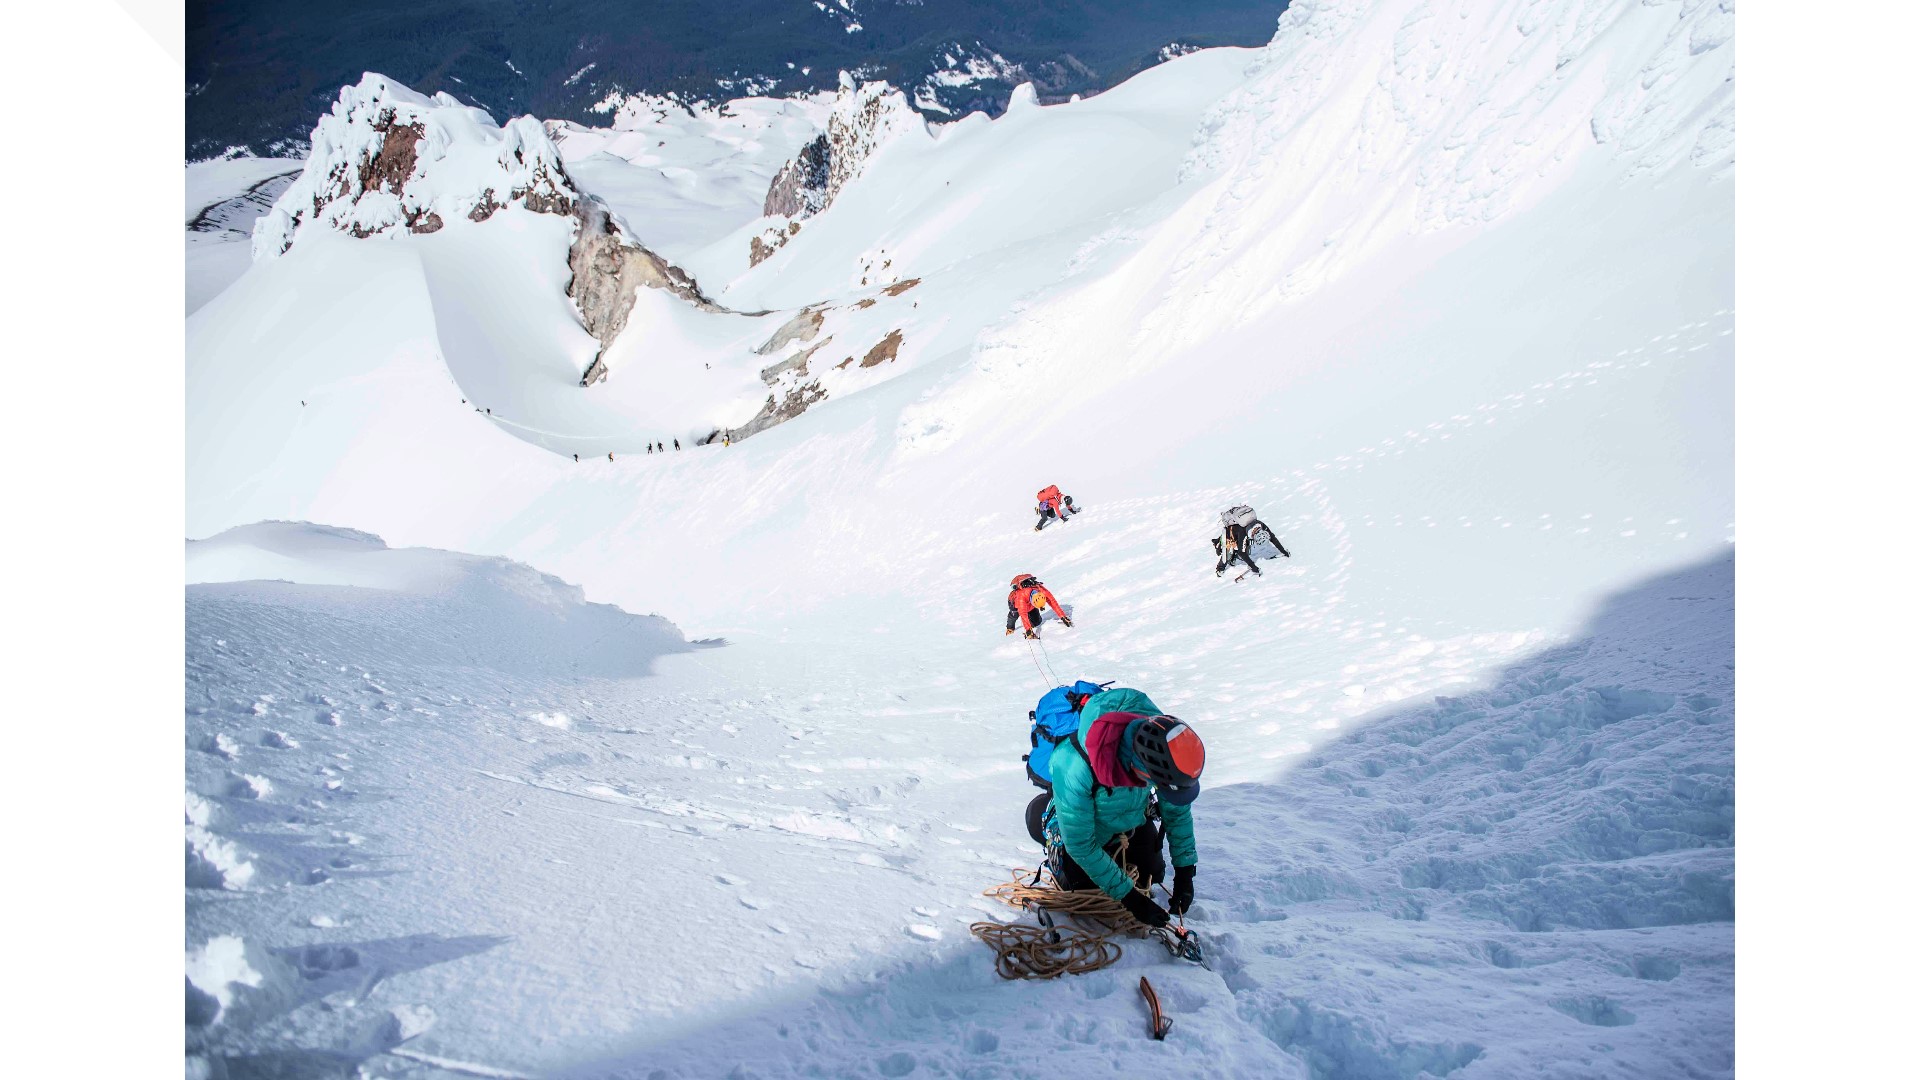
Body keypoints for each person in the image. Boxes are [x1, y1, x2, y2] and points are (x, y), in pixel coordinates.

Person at [1044, 687, 1204, 928]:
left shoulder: (1161, 744)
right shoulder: (1072, 763)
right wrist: (1131, 899)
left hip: (1129, 821)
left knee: (1154, 874)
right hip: (1085, 835)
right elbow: (1081, 845)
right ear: (1142, 771)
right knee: (1083, 890)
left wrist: (1185, 870)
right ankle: (1048, 828)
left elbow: (1176, 809)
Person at [1213, 506, 1290, 577]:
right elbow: (1241, 552)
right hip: (1229, 534)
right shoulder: (1243, 532)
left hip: (1238, 533)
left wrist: (1283, 551)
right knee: (1227, 553)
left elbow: (1273, 538)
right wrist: (1253, 567)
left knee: (1245, 548)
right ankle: (1220, 569)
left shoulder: (1261, 525)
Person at [1004, 573, 1072, 638]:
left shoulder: (1041, 590)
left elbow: (1053, 603)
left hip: (1029, 604)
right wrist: (1028, 630)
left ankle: (1031, 612)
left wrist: (1063, 617)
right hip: (1014, 602)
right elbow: (1023, 614)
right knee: (1014, 615)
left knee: (1037, 622)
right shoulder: (1021, 596)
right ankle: (1010, 628)